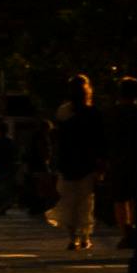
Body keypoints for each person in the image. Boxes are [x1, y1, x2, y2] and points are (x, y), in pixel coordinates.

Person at [44, 72, 100, 254]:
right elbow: (98, 140)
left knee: (69, 201)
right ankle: (85, 236)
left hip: (67, 162)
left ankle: (72, 237)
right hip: (87, 163)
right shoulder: (92, 113)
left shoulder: (63, 112)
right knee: (85, 201)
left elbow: (58, 139)